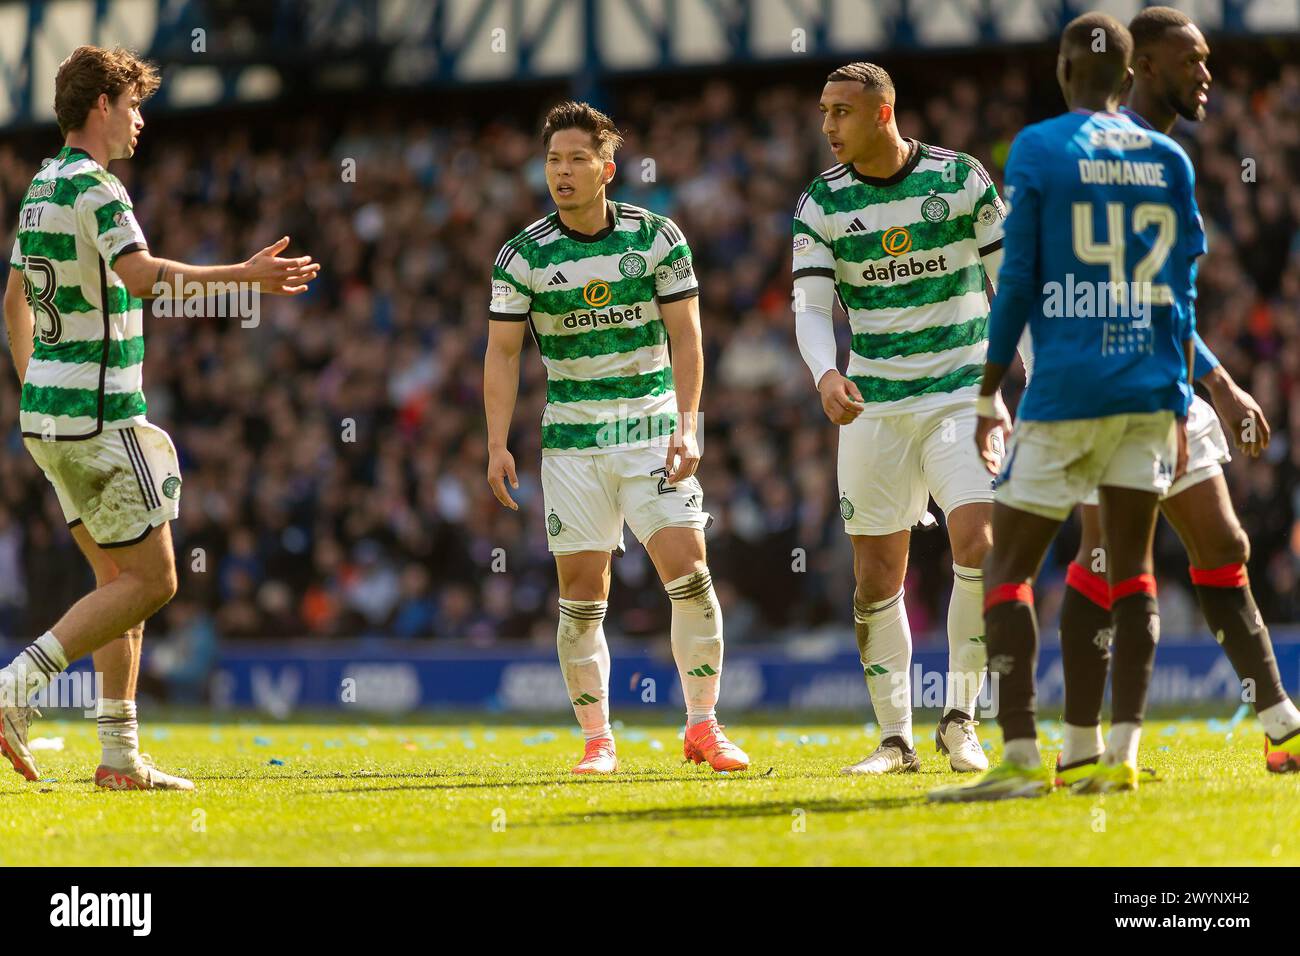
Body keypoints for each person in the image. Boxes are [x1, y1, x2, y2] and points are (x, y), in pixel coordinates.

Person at [1, 45, 319, 789]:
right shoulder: (97, 189)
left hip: (48, 421)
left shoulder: (40, 186)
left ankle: (117, 758)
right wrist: (245, 278)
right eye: (134, 106)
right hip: (103, 421)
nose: (142, 121)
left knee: (117, 581)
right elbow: (144, 279)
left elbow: (13, 303)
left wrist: (37, 387)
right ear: (102, 106)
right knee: (156, 581)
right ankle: (15, 687)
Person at [930, 12, 1200, 801]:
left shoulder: (1042, 148)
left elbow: (1014, 282)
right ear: (1129, 78)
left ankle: (1018, 755)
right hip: (1149, 387)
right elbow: (1181, 293)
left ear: (1060, 70)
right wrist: (1181, 402)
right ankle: (1119, 754)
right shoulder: (1169, 156)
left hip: (1067, 391)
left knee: (1006, 568)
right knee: (1133, 572)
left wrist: (986, 391)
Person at [1053, 5, 1300, 782]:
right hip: (1108, 384)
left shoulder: (1167, 158)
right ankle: (1080, 749)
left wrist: (1219, 385)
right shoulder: (1103, 155)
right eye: (1191, 60)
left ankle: (1281, 726)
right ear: (1145, 67)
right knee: (1106, 559)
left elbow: (1163, 301)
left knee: (1223, 546)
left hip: (1164, 377)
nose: (1208, 74)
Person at [483, 101, 748, 775]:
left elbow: (687, 337)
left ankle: (703, 727)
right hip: (572, 441)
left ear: (607, 167)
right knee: (582, 596)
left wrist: (690, 424)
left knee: (690, 575)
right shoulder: (523, 255)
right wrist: (496, 443)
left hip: (652, 430)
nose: (562, 172)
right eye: (553, 160)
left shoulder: (657, 238)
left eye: (576, 159)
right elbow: (503, 354)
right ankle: (598, 741)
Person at [792, 62, 1009, 774]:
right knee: (876, 577)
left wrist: (1006, 384)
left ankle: (961, 720)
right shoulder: (821, 203)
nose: (828, 126)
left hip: (959, 391)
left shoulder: (959, 180)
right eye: (825, 111)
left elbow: (1009, 287)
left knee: (977, 541)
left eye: (842, 112)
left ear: (883, 113)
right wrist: (826, 372)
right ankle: (896, 739)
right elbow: (812, 308)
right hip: (874, 402)